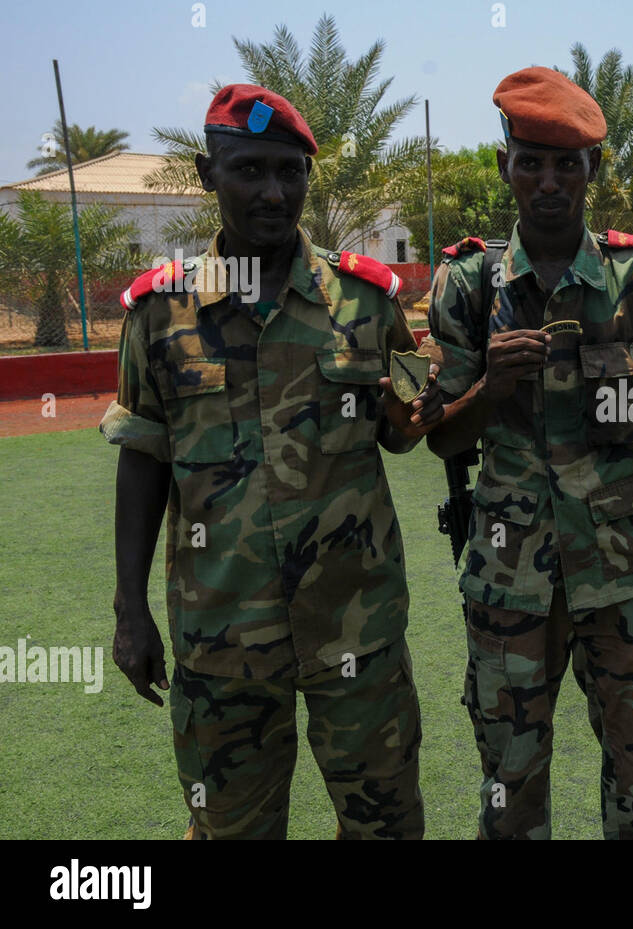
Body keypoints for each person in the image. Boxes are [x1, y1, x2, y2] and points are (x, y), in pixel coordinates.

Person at [101, 85, 438, 839]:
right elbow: (141, 461)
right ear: (206, 172)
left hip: (356, 629)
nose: (273, 192)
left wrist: (419, 409)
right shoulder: (159, 315)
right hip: (222, 640)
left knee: (388, 827)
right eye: (249, 169)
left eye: (290, 173)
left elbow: (408, 422)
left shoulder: (366, 300)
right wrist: (130, 610)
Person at [419, 66, 633, 840]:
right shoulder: (467, 284)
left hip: (630, 581)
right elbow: (438, 435)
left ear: (592, 170)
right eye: (531, 161)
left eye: (566, 163)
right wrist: (486, 386)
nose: (549, 181)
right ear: (505, 164)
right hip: (509, 587)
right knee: (511, 789)